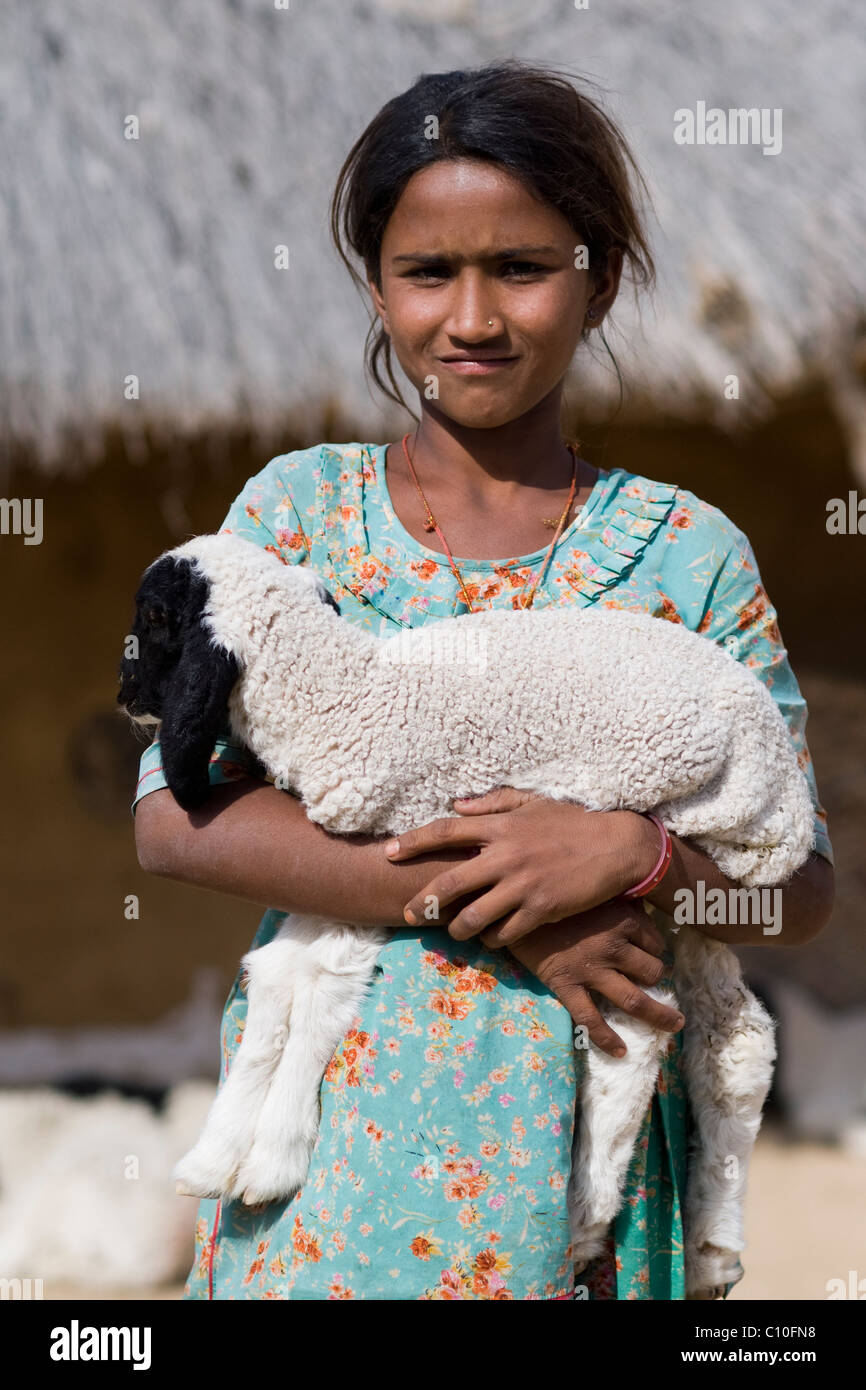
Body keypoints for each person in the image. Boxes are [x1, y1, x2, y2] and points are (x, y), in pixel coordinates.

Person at [132, 60, 834, 1300]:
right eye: (425, 272)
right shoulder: (292, 524)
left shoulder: (686, 556)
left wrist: (642, 861)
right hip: (339, 1169)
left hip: (596, 1195)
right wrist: (513, 903)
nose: (471, 318)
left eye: (520, 268)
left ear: (597, 278)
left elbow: (799, 891)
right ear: (374, 284)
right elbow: (173, 820)